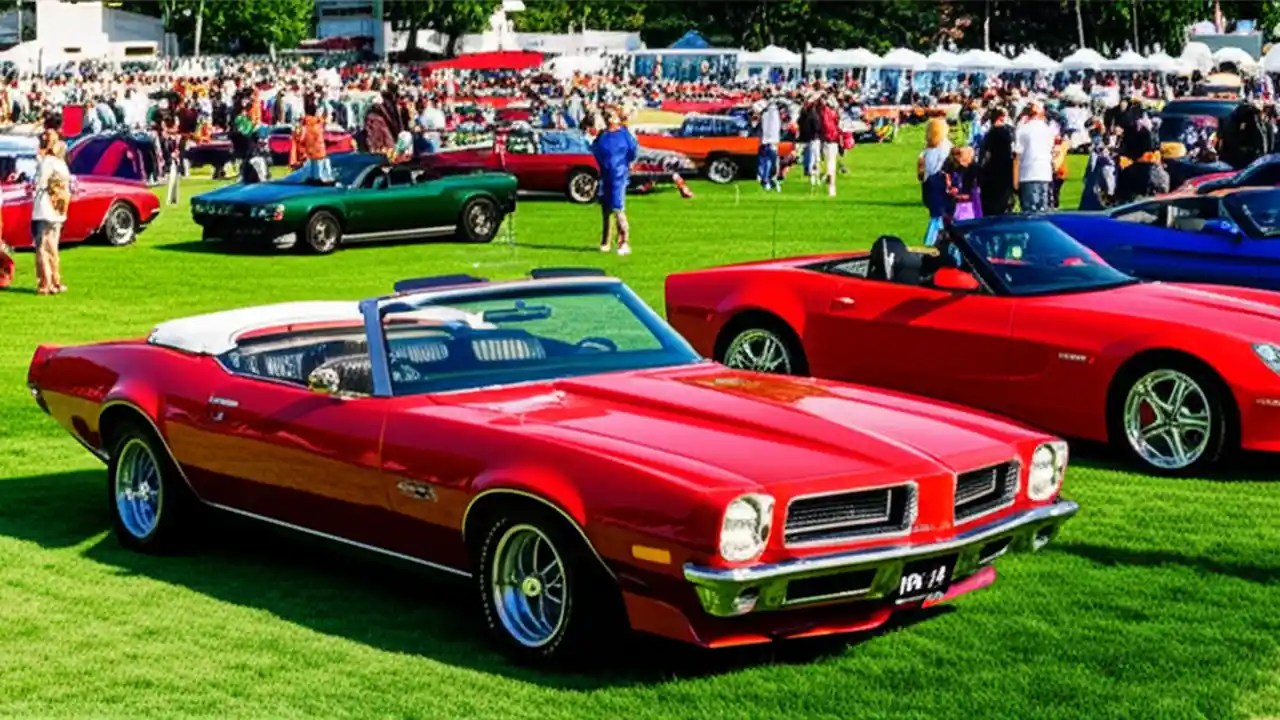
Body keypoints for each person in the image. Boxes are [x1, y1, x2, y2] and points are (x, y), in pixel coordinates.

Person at [591, 106, 637, 255]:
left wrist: (626, 166)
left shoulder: (624, 135)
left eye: (612, 116)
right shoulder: (602, 136)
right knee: (606, 210)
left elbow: (632, 152)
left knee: (618, 209)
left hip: (619, 175)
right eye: (607, 116)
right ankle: (605, 241)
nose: (609, 119)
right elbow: (595, 151)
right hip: (605, 176)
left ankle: (624, 241)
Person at [32, 133, 70, 295]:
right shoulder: (61, 164)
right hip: (59, 208)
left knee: (42, 246)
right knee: (53, 245)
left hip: (44, 208)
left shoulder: (47, 162)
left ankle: (45, 283)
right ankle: (56, 280)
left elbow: (39, 183)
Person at [1013, 100, 1055, 213]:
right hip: (1044, 173)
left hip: (1029, 174)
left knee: (1030, 212)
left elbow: (1017, 155)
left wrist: (1015, 179)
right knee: (1043, 211)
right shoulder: (1048, 129)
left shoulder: (1023, 129)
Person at [918, 117, 951, 245]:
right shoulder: (944, 146)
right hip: (939, 182)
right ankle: (932, 240)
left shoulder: (927, 148)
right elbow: (943, 165)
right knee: (940, 216)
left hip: (928, 183)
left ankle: (934, 239)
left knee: (936, 215)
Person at [979, 106, 1015, 216]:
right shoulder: (1007, 132)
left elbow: (985, 155)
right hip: (1004, 171)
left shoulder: (988, 134)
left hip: (991, 173)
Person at [818, 95, 841, 197]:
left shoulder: (823, 113)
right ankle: (831, 187)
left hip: (826, 140)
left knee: (829, 163)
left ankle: (826, 177)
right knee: (831, 164)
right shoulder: (832, 114)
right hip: (832, 140)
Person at [757, 99, 781, 191]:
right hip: (769, 141)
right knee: (769, 162)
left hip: (769, 141)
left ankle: (768, 179)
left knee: (769, 162)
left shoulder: (770, 113)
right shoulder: (771, 114)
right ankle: (766, 180)